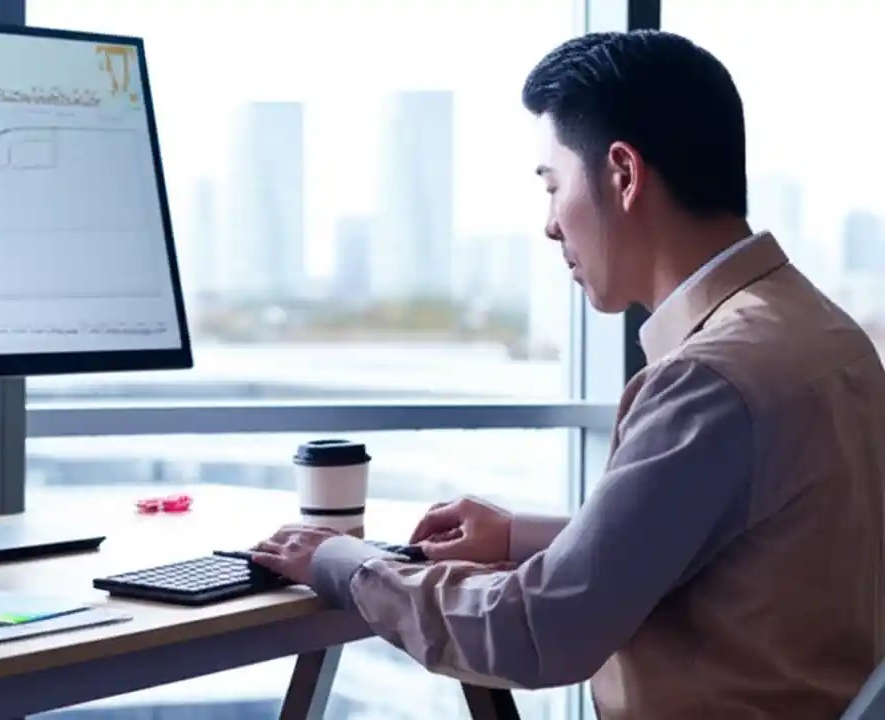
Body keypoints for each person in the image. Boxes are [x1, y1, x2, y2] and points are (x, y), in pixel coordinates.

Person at [249, 29, 885, 719]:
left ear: (623, 174)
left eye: (553, 187)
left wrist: (345, 564)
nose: (552, 227)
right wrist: (517, 535)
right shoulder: (823, 334)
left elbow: (533, 632)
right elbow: (714, 536)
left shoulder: (712, 378)